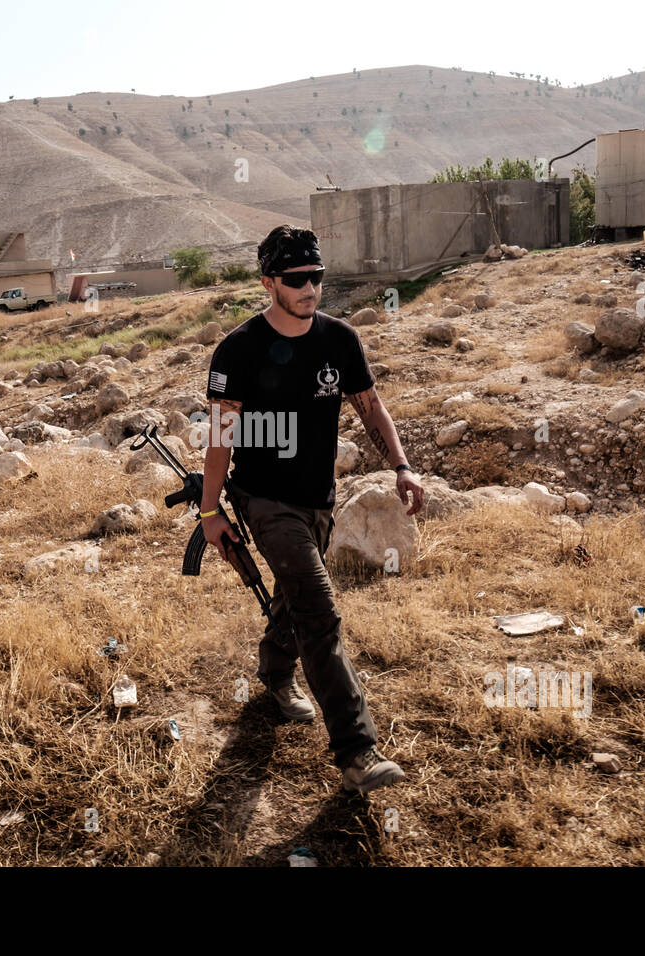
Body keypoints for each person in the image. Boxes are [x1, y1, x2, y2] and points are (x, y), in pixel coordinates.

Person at [200, 224, 424, 795]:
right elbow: (222, 438)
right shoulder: (239, 350)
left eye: (316, 277)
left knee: (292, 597)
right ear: (268, 282)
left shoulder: (339, 340)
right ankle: (357, 751)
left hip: (317, 497)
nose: (310, 288)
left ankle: (275, 679)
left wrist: (401, 464)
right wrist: (210, 513)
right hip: (263, 498)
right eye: (297, 279)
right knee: (319, 609)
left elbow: (371, 409)